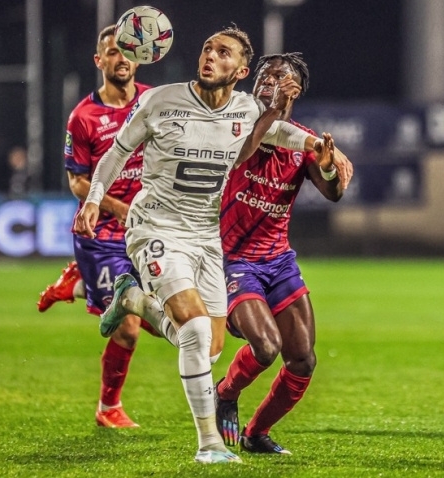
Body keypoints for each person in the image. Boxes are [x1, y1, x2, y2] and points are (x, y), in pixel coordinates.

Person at [74, 26, 350, 464]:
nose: (210, 56)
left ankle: (134, 300)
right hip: (159, 228)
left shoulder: (244, 110)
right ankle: (210, 444)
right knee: (204, 333)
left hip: (210, 240)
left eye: (223, 53)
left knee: (211, 347)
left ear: (238, 70)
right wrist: (93, 200)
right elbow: (117, 152)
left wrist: (322, 150)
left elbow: (289, 140)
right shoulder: (161, 100)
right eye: (207, 48)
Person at [214, 52, 353, 455]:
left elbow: (333, 193)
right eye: (265, 74)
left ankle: (256, 434)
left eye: (281, 76)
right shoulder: (236, 123)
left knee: (302, 360)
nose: (270, 80)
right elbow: (250, 146)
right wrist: (276, 109)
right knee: (265, 346)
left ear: (297, 90)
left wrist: (327, 167)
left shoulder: (303, 143)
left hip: (277, 261)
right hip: (233, 259)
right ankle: (225, 392)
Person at [37, 25, 155, 429]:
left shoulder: (155, 102)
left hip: (151, 230)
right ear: (99, 61)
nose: (121, 59)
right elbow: (77, 181)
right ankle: (109, 408)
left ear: (138, 58)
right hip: (102, 234)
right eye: (112, 52)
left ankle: (79, 283)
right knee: (129, 330)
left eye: (127, 52)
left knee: (167, 321)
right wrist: (118, 208)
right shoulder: (83, 117)